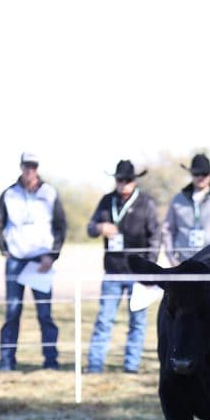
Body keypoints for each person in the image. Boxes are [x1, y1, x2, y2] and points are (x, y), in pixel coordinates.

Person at [0, 152, 66, 371]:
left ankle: (51, 361)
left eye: (33, 166)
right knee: (13, 312)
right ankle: (6, 362)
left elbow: (61, 226)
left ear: (38, 168)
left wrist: (52, 255)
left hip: (41, 262)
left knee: (44, 313)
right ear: (21, 166)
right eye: (26, 166)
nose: (30, 170)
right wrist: (4, 249)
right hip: (16, 260)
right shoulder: (9, 194)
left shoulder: (50, 193)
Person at [85, 160, 161, 374]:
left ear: (134, 181)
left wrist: (149, 270)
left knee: (137, 322)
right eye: (120, 179)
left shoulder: (147, 203)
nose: (123, 183)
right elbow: (90, 228)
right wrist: (99, 227)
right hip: (112, 271)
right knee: (104, 320)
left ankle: (131, 367)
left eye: (127, 180)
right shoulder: (106, 201)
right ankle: (95, 365)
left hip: (138, 274)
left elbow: (155, 237)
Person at [162, 153, 210, 265]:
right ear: (191, 173)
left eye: (205, 173)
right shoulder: (178, 200)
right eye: (196, 173)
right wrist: (171, 257)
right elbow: (168, 230)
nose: (201, 177)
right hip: (183, 263)